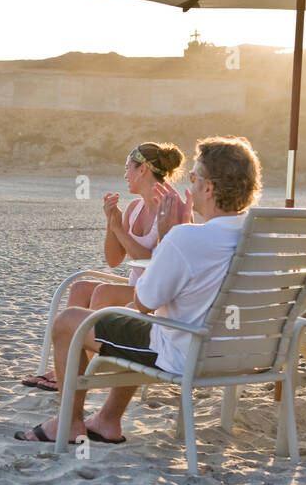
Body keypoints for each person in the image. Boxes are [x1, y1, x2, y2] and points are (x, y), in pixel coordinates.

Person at [15, 137, 262, 445]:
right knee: (129, 325)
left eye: (195, 178)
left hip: (186, 354)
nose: (191, 184)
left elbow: (144, 302)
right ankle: (107, 420)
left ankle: (69, 423)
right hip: (249, 356)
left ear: (209, 188)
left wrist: (170, 235)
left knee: (69, 322)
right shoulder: (265, 240)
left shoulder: (187, 237)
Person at [22, 142, 189, 391]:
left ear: (142, 169)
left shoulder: (170, 206)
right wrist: (112, 223)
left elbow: (156, 262)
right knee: (80, 287)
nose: (125, 175)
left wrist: (120, 230)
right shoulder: (135, 208)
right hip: (138, 287)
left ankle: (81, 370)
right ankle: (68, 366)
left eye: (127, 168)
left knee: (103, 292)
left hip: (159, 294)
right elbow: (113, 260)